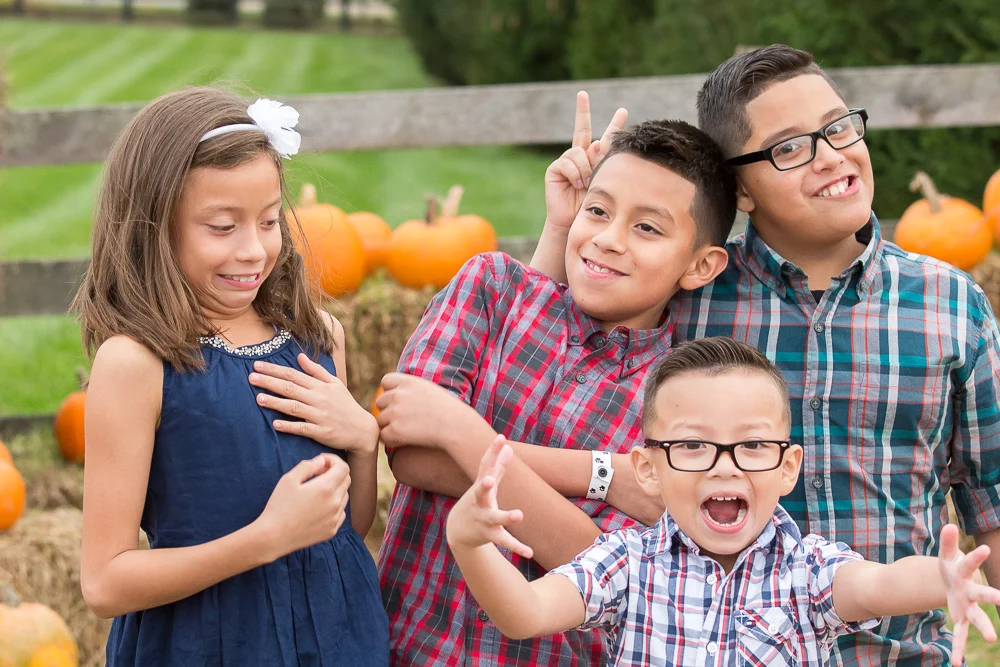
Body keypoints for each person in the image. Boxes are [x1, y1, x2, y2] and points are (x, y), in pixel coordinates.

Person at [527, 44, 1000, 665]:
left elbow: (992, 503)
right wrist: (572, 225)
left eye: (838, 127)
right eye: (789, 148)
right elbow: (544, 354)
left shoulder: (950, 306)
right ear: (740, 190)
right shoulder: (687, 298)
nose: (831, 156)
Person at [374, 118, 735, 665]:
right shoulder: (491, 286)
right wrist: (603, 475)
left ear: (700, 265)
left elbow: (591, 560)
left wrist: (459, 429)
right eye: (598, 210)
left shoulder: (682, 398)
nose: (609, 239)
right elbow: (413, 456)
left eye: (648, 229)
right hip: (406, 646)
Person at [447, 337, 1000, 667]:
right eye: (692, 445)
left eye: (753, 445)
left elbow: (880, 585)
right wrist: (467, 541)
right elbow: (525, 614)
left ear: (788, 468)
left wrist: (941, 580)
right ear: (648, 469)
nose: (725, 464)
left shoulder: (807, 571)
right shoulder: (625, 565)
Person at [75, 87, 389, 666]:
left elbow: (343, 529)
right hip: (209, 645)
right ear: (154, 228)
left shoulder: (318, 337)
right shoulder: (137, 364)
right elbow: (104, 583)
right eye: (222, 227)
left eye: (269, 221)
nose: (254, 250)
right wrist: (264, 540)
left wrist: (364, 442)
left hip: (338, 638)